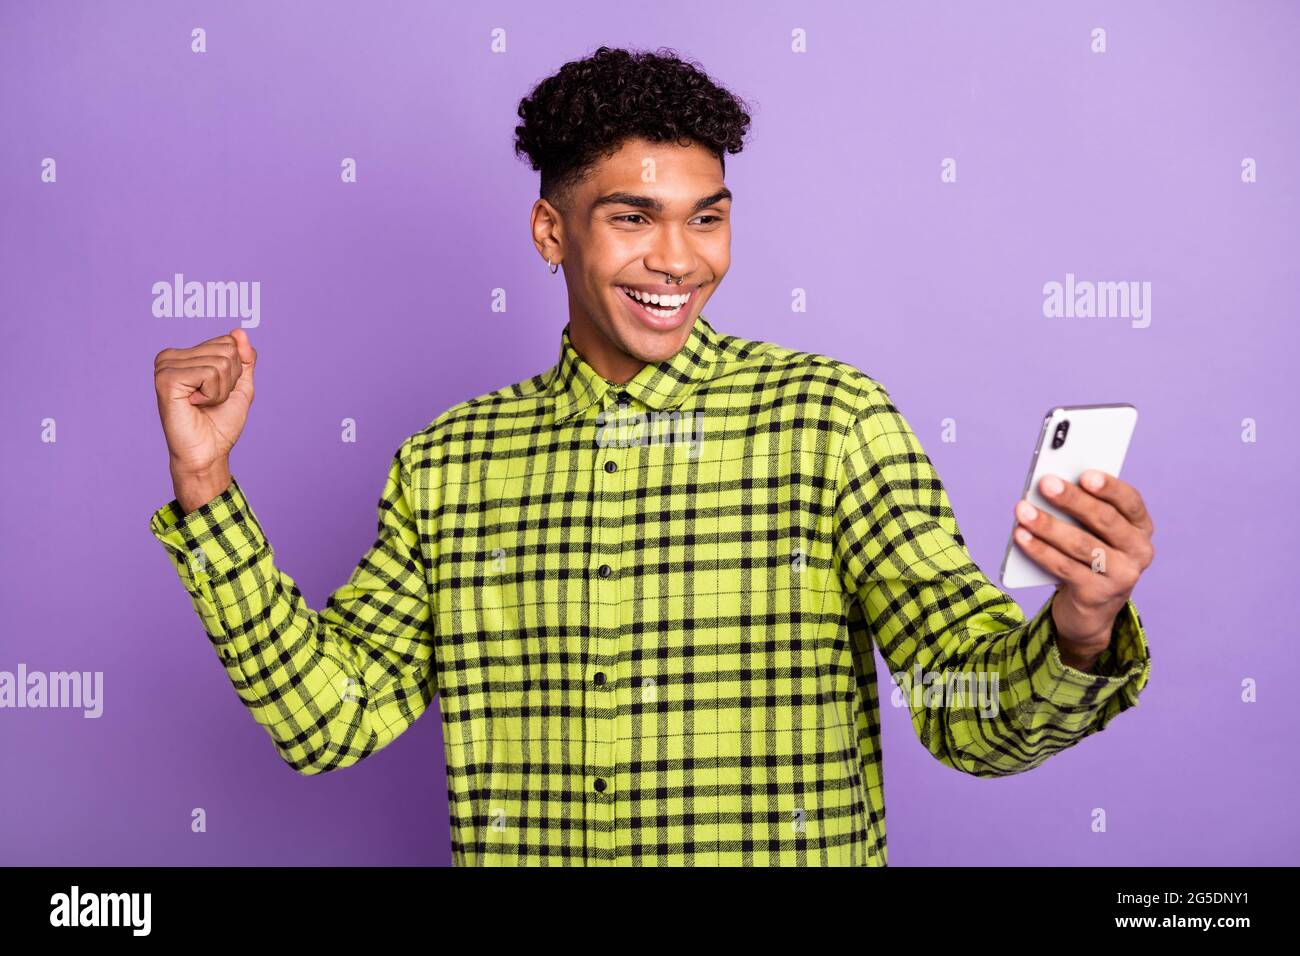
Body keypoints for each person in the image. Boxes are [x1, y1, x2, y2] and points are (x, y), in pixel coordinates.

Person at [150, 46, 1155, 866]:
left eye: (706, 217)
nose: (679, 259)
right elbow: (331, 717)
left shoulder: (831, 420)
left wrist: (1077, 628)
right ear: (552, 230)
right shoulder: (446, 463)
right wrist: (206, 485)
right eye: (633, 217)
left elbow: (963, 709)